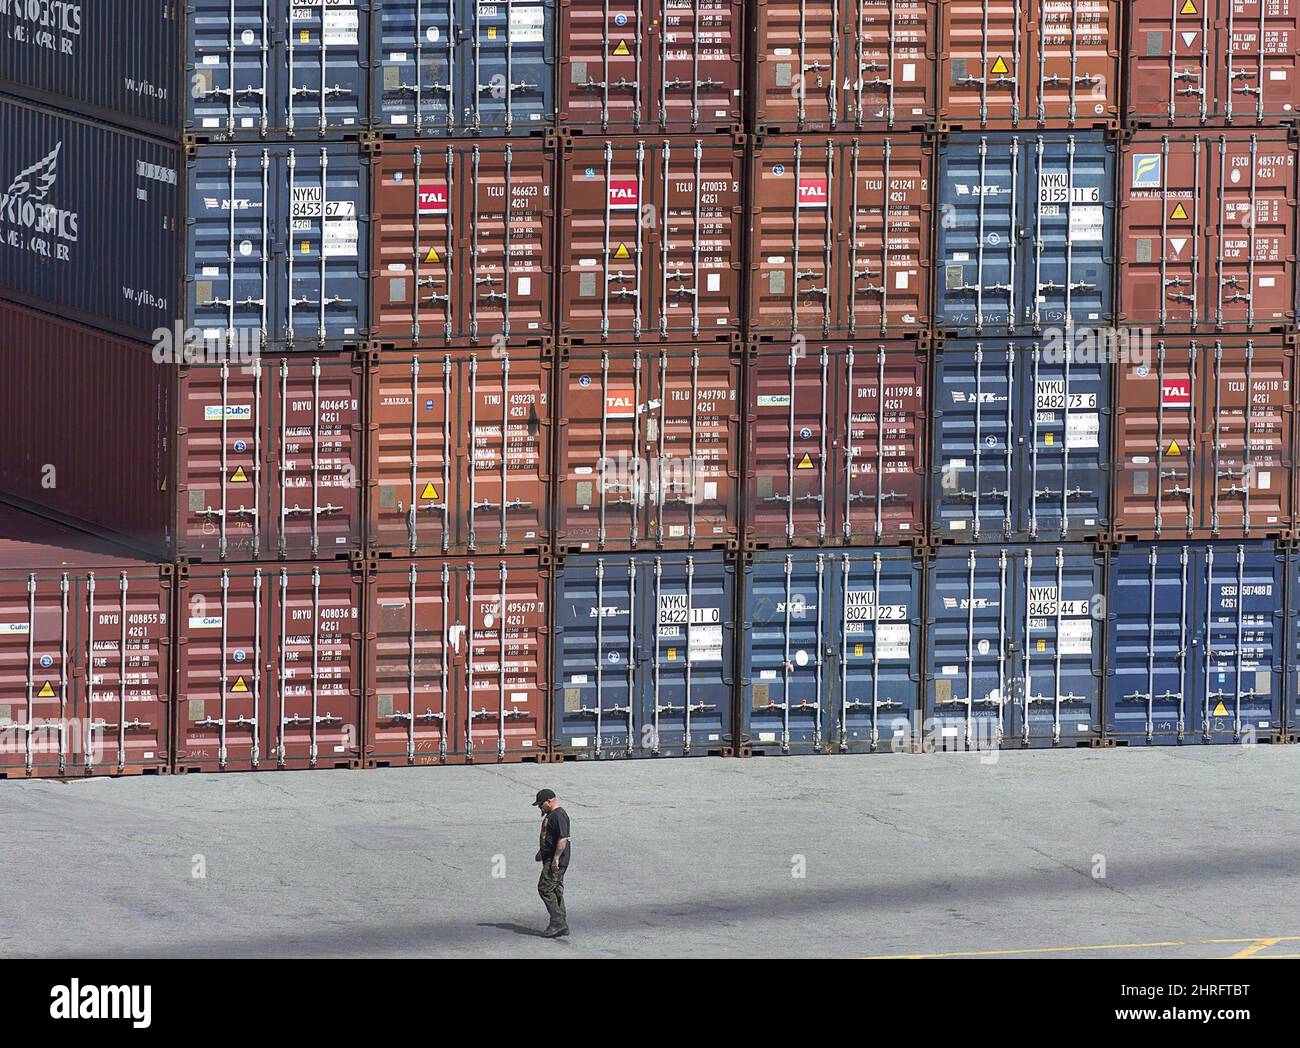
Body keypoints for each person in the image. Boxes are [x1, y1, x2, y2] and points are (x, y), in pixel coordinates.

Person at [532, 788, 571, 938]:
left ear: (549, 801)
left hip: (557, 861)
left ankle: (558, 922)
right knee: (555, 890)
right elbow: (549, 837)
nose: (539, 807)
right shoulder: (551, 815)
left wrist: (555, 858)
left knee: (545, 888)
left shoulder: (559, 815)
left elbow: (562, 838)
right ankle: (562, 924)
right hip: (551, 858)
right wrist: (542, 852)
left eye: (541, 804)